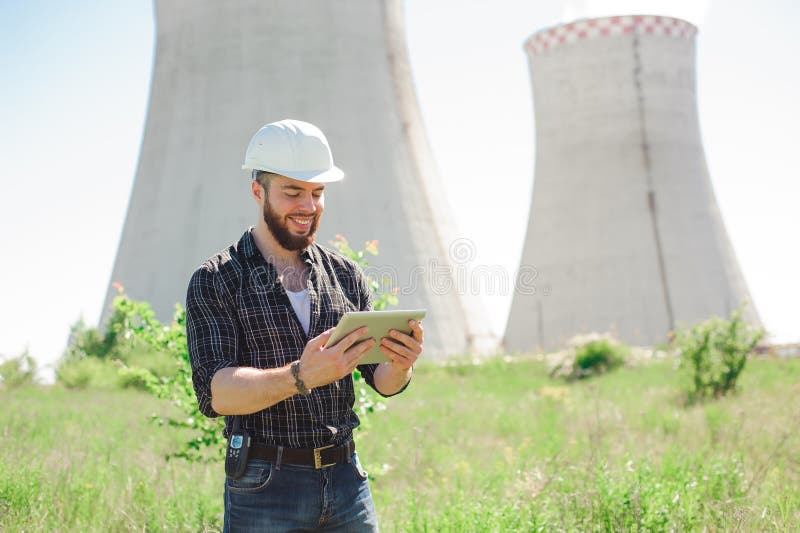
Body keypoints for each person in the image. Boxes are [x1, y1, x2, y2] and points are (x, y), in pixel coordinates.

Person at [186, 119, 423, 532]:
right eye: (292, 192)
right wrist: (301, 375)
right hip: (265, 486)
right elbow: (216, 393)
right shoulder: (217, 278)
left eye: (317, 193)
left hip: (347, 479)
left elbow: (381, 381)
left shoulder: (345, 275)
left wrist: (402, 363)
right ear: (257, 191)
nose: (308, 206)